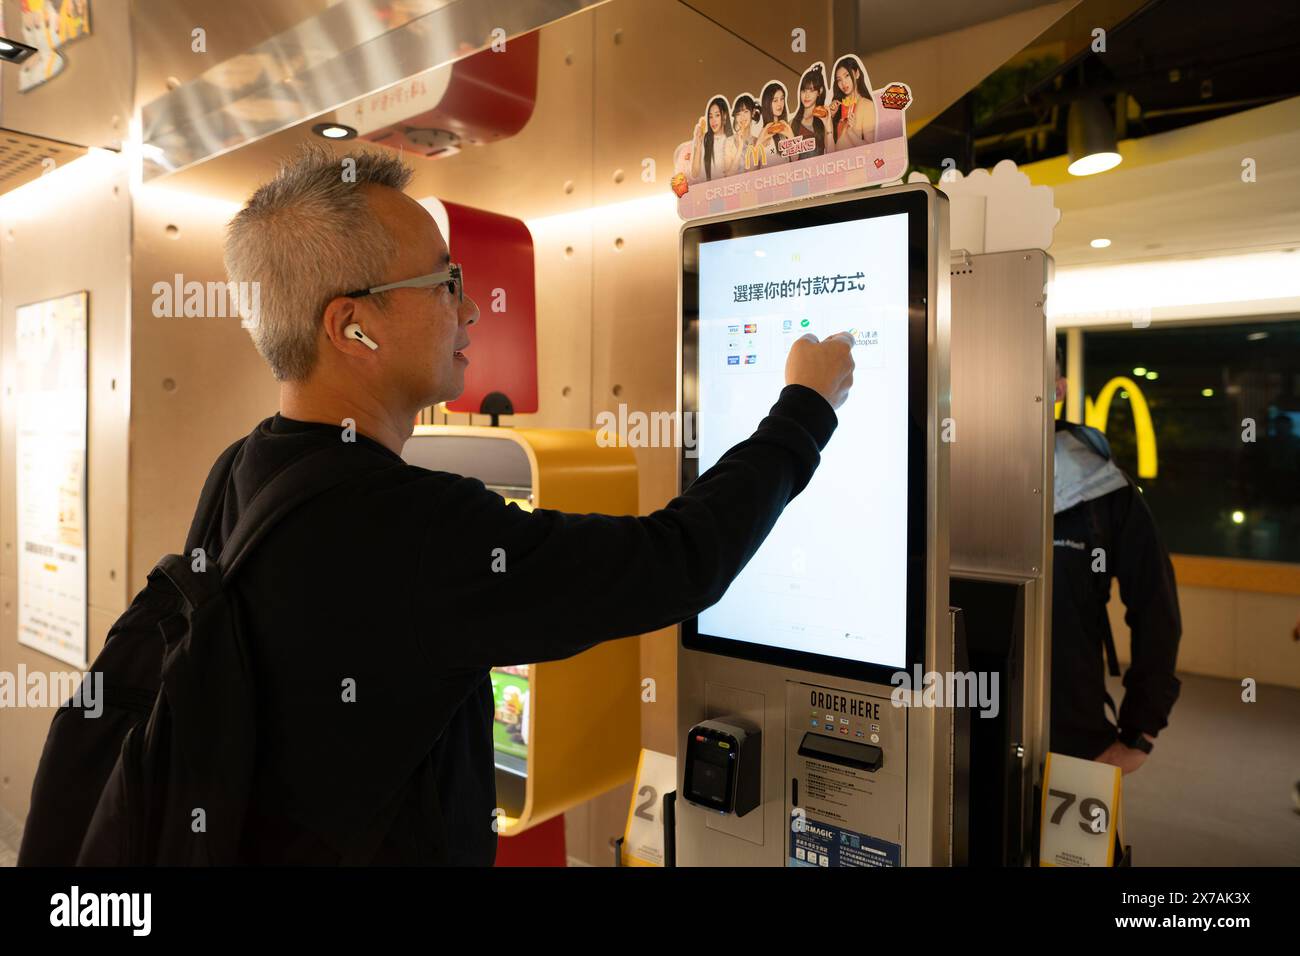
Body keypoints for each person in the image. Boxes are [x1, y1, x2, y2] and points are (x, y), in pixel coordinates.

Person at [213, 145, 856, 864]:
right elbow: (673, 563)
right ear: (351, 326)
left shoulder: (242, 470)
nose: (470, 308)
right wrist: (804, 410)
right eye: (443, 281)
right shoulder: (407, 529)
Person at [1051, 344, 1182, 772]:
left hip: (1075, 729)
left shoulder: (1103, 489)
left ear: (1058, 389)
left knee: (1065, 842)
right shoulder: (944, 473)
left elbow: (1156, 607)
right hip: (958, 718)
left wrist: (1141, 730)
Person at [828, 55, 876, 150]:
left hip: (857, 162)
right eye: (839, 80)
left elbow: (870, 149)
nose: (843, 83)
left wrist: (851, 132)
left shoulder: (867, 105)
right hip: (837, 162)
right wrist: (829, 118)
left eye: (847, 76)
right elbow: (829, 149)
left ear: (857, 74)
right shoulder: (838, 107)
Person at [789, 65, 832, 159]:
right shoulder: (793, 123)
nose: (807, 96)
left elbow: (831, 153)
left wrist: (828, 125)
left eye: (811, 90)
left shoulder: (825, 118)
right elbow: (790, 159)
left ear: (819, 91)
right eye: (804, 91)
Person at [689, 95, 733, 183]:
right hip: (710, 191)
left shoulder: (732, 139)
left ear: (724, 116)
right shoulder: (705, 139)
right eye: (710, 117)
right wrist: (698, 144)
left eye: (717, 115)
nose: (713, 120)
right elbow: (695, 173)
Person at [757, 80, 794, 163]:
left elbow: (795, 159)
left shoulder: (786, 127)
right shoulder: (764, 132)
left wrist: (790, 136)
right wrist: (760, 142)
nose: (779, 104)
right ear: (767, 103)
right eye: (775, 100)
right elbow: (752, 167)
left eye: (782, 99)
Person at [729, 93, 760, 173]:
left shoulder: (757, 142)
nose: (742, 117)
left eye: (745, 112)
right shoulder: (729, 142)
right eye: (738, 114)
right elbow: (728, 175)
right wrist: (739, 147)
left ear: (752, 113)